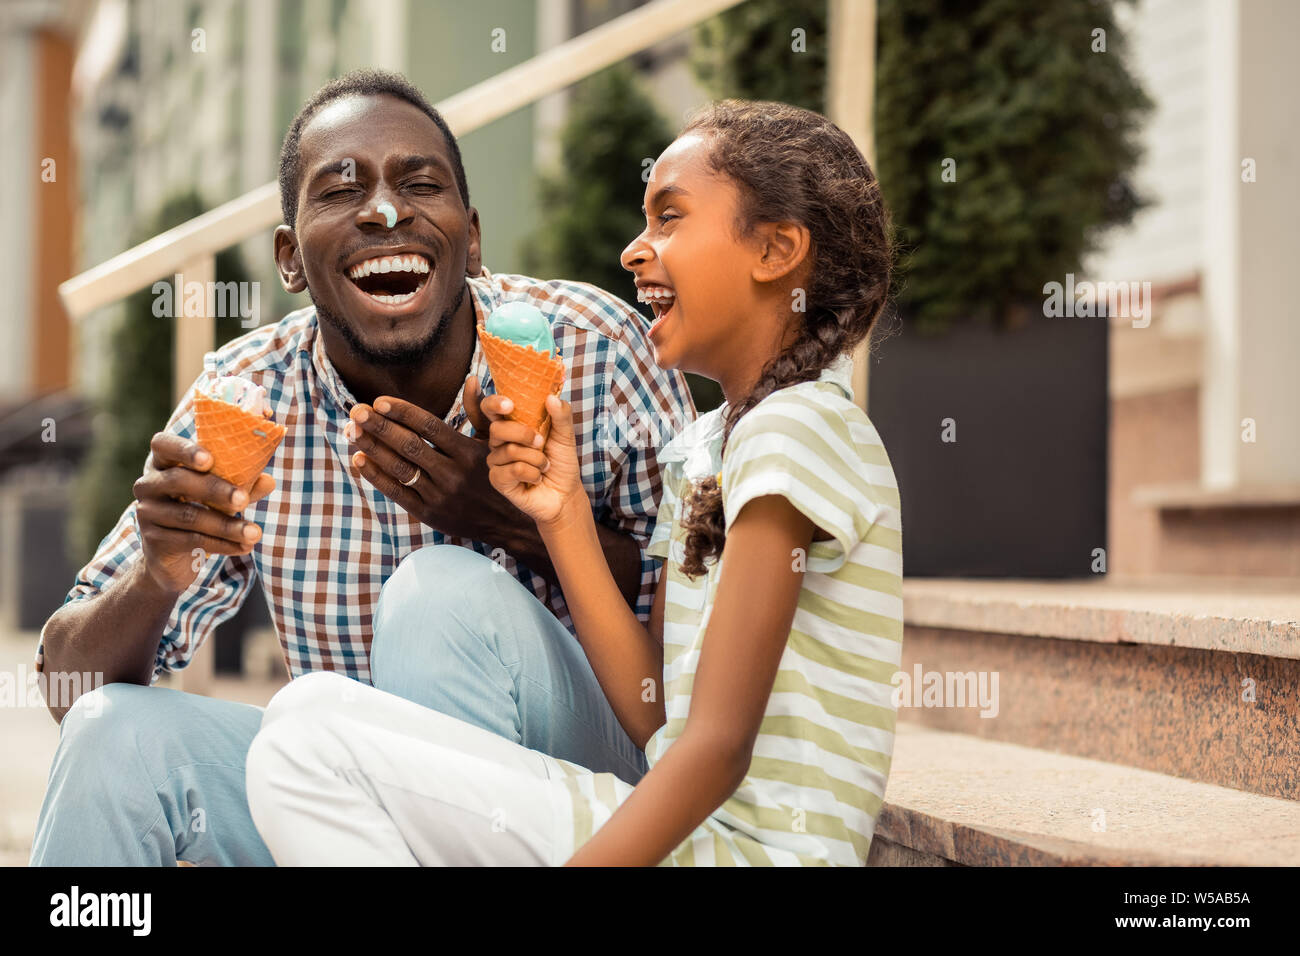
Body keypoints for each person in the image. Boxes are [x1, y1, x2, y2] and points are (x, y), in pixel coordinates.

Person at [30, 70, 694, 866]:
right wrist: (157, 575)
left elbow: (705, 621)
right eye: (342, 190)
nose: (385, 210)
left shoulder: (594, 346)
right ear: (289, 259)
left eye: (420, 184)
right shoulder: (248, 399)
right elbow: (67, 687)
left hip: (588, 798)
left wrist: (507, 522)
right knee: (114, 736)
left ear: (472, 237)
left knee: (436, 593)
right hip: (333, 805)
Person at [245, 99, 903, 866]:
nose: (634, 250)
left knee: (304, 746)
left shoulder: (798, 430)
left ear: (776, 250)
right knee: (310, 713)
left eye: (670, 218)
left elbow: (718, 750)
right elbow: (659, 714)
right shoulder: (708, 447)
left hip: (752, 854)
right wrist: (559, 517)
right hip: (695, 839)